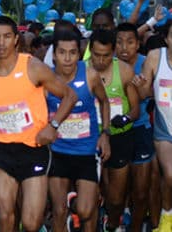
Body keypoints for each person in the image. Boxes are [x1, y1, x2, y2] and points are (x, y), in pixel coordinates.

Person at [0, 16, 78, 232]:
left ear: (16, 40)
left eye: (7, 37)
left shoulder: (33, 67)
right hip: (1, 151)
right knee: (5, 217)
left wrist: (53, 126)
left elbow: (69, 96)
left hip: (34, 150)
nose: (1, 43)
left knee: (31, 223)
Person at [46, 29, 111, 232]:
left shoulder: (90, 75)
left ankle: (77, 203)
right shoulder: (45, 79)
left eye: (72, 52)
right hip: (58, 152)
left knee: (85, 211)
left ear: (79, 54)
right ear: (54, 54)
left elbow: (104, 101)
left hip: (86, 152)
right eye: (62, 52)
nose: (67, 58)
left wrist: (105, 134)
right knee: (58, 211)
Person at [85, 29, 139, 232]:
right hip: (89, 139)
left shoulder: (124, 71)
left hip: (120, 136)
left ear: (113, 52)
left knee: (116, 198)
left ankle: (114, 223)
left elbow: (135, 108)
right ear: (90, 50)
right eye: (96, 55)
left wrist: (124, 118)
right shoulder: (81, 70)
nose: (100, 60)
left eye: (106, 55)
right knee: (90, 195)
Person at [116, 22, 156, 232]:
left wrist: (142, 89)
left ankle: (137, 227)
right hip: (114, 134)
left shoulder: (147, 63)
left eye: (130, 42)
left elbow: (149, 95)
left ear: (138, 44)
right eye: (119, 42)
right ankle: (115, 223)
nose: (124, 47)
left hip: (141, 131)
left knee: (141, 192)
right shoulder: (106, 64)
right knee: (116, 193)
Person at [134, 24, 172, 232]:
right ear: (166, 38)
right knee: (170, 175)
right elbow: (144, 94)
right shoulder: (156, 57)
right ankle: (167, 218)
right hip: (165, 130)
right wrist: (141, 85)